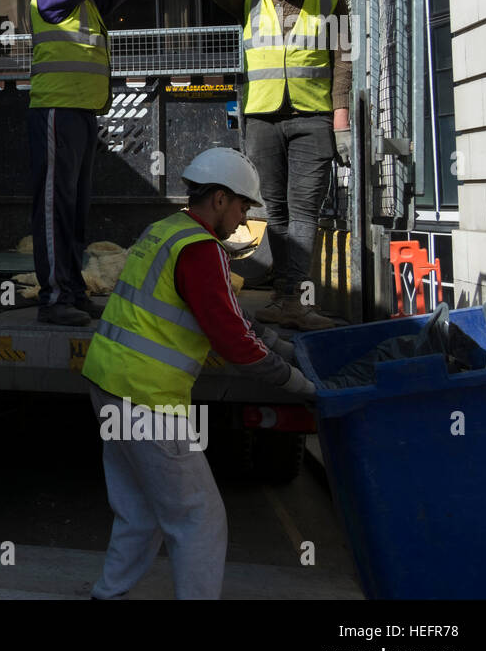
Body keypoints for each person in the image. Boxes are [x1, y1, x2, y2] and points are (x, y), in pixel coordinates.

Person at [81, 147, 316, 599]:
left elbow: (227, 315)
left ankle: (108, 594)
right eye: (244, 206)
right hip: (147, 400)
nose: (244, 220)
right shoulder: (202, 250)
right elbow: (232, 342)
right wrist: (298, 383)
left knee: (139, 511)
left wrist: (284, 346)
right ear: (221, 199)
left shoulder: (165, 231)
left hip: (108, 385)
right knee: (199, 517)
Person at [195, 0, 350, 331]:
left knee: (304, 212)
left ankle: (298, 303)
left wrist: (340, 119)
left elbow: (343, 58)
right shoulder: (249, 0)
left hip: (312, 120)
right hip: (262, 121)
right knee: (274, 213)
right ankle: (285, 298)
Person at [29, 0, 142, 326]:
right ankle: (54, 297)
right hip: (56, 113)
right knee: (56, 209)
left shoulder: (88, 4)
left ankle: (71, 291)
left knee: (74, 210)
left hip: (79, 115)